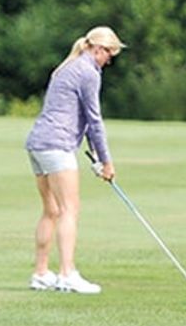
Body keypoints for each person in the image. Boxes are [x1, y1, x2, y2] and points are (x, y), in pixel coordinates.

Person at [24, 26, 126, 293]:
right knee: (70, 209)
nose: (109, 60)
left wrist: (95, 156)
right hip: (57, 145)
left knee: (52, 210)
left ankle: (41, 273)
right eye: (109, 54)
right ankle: (67, 274)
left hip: (38, 144)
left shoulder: (67, 67)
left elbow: (81, 119)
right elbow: (94, 120)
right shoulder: (89, 72)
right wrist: (107, 162)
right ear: (98, 49)